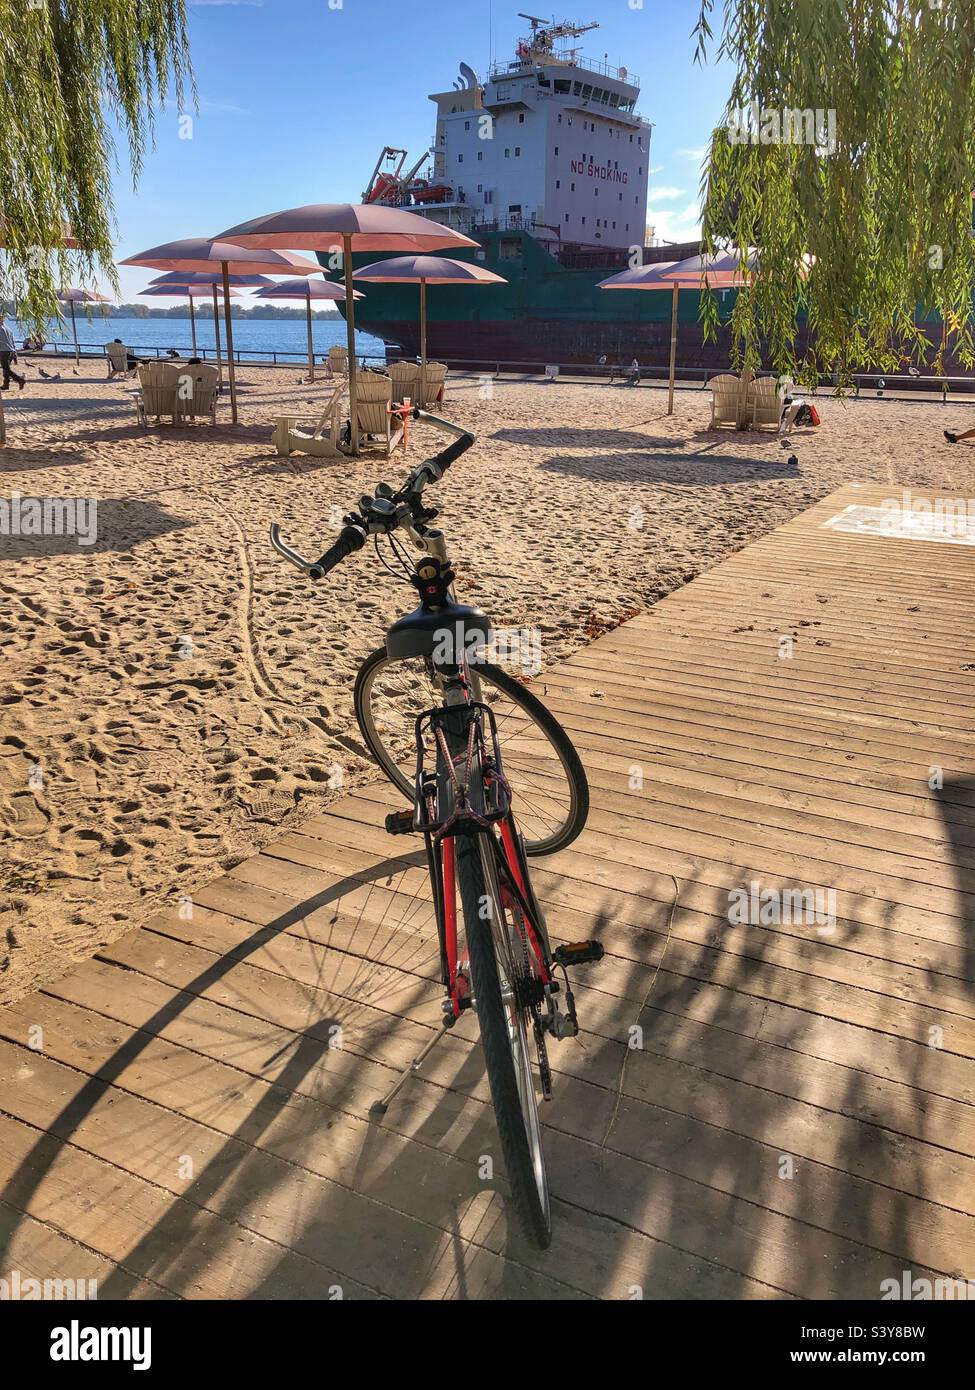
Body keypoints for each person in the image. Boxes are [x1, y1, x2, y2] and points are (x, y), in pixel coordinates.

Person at [0, 316, 26, 391]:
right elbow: (12, 341)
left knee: (6, 368)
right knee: (6, 368)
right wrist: (14, 352)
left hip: (3, 350)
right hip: (10, 350)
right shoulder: (8, 329)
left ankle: (20, 380)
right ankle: (6, 384)